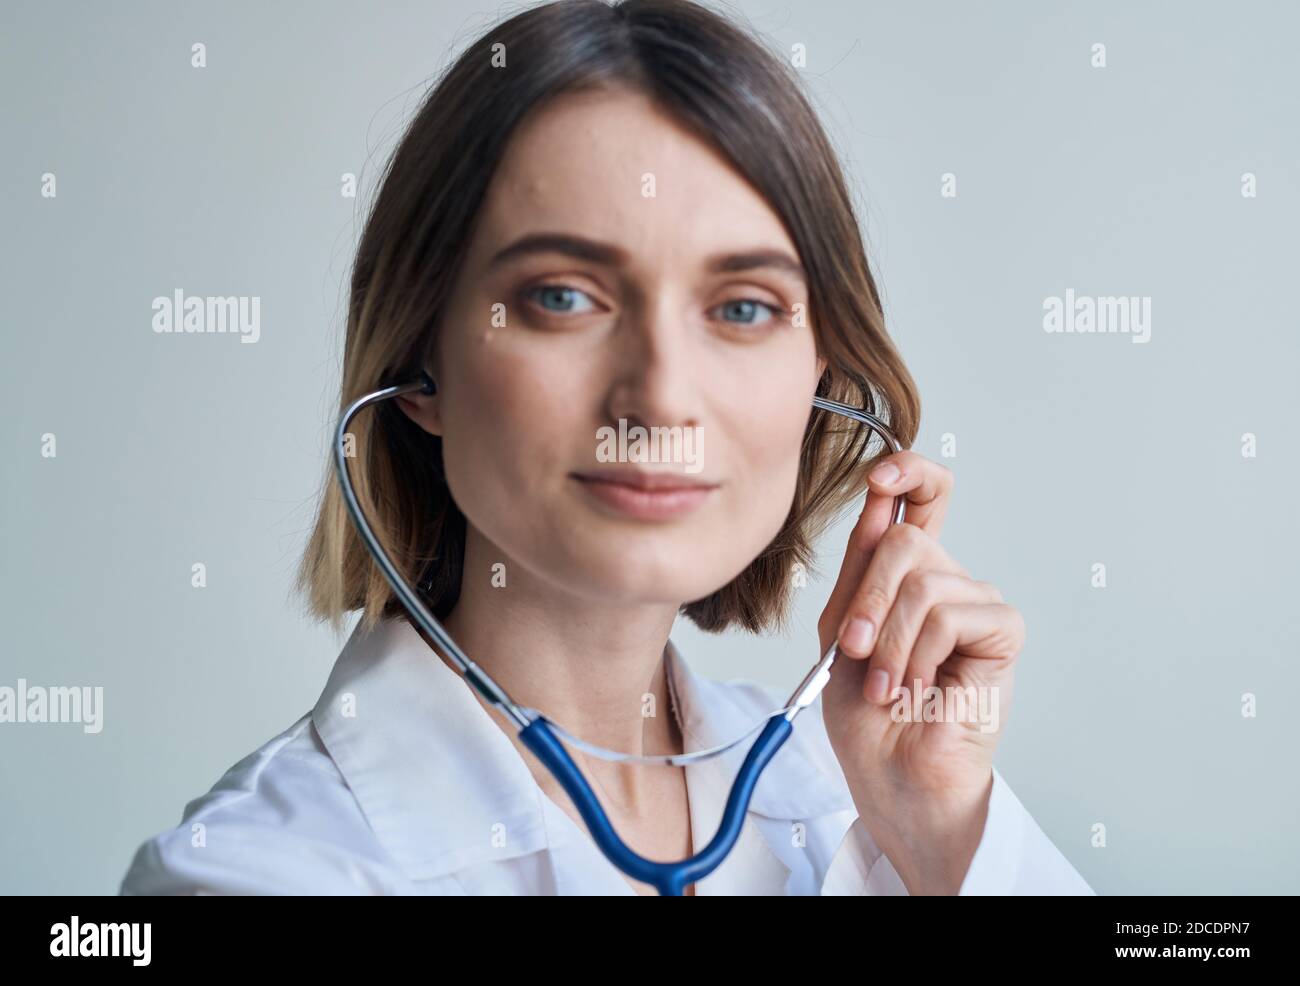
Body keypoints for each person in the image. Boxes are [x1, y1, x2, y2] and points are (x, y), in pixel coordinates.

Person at [121, 0, 1094, 896]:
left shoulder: (853, 793)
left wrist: (940, 827)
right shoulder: (257, 874)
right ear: (423, 364)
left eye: (744, 307)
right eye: (563, 296)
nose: (661, 393)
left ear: (821, 379)